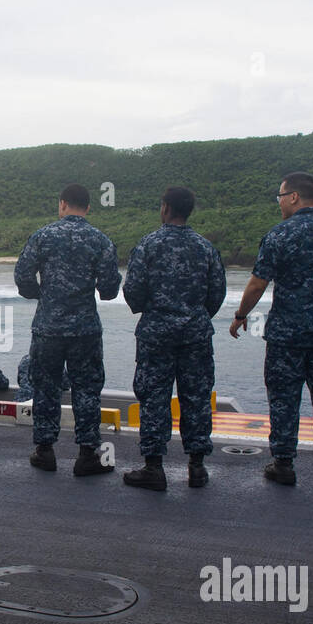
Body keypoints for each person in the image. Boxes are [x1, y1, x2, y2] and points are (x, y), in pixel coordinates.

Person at [229, 172, 313, 487]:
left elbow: (258, 283)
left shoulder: (279, 235)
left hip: (286, 337)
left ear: (293, 197)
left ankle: (284, 464)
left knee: (283, 399)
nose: (278, 203)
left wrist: (240, 315)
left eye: (279, 196)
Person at [122, 188, 226, 491]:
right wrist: (194, 314)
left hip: (156, 335)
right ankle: (197, 467)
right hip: (195, 335)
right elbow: (216, 293)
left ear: (165, 208)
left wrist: (152, 310)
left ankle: (154, 467)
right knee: (196, 398)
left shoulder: (148, 245)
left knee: (154, 398)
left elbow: (133, 293)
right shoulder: (205, 247)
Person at [14, 183, 121, 475]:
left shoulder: (43, 236)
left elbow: (22, 275)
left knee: (46, 387)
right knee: (86, 390)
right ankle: (88, 454)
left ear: (62, 204)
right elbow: (111, 289)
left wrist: (42, 295)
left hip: (48, 327)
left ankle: (45, 451)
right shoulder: (100, 240)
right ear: (87, 207)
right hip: (85, 329)